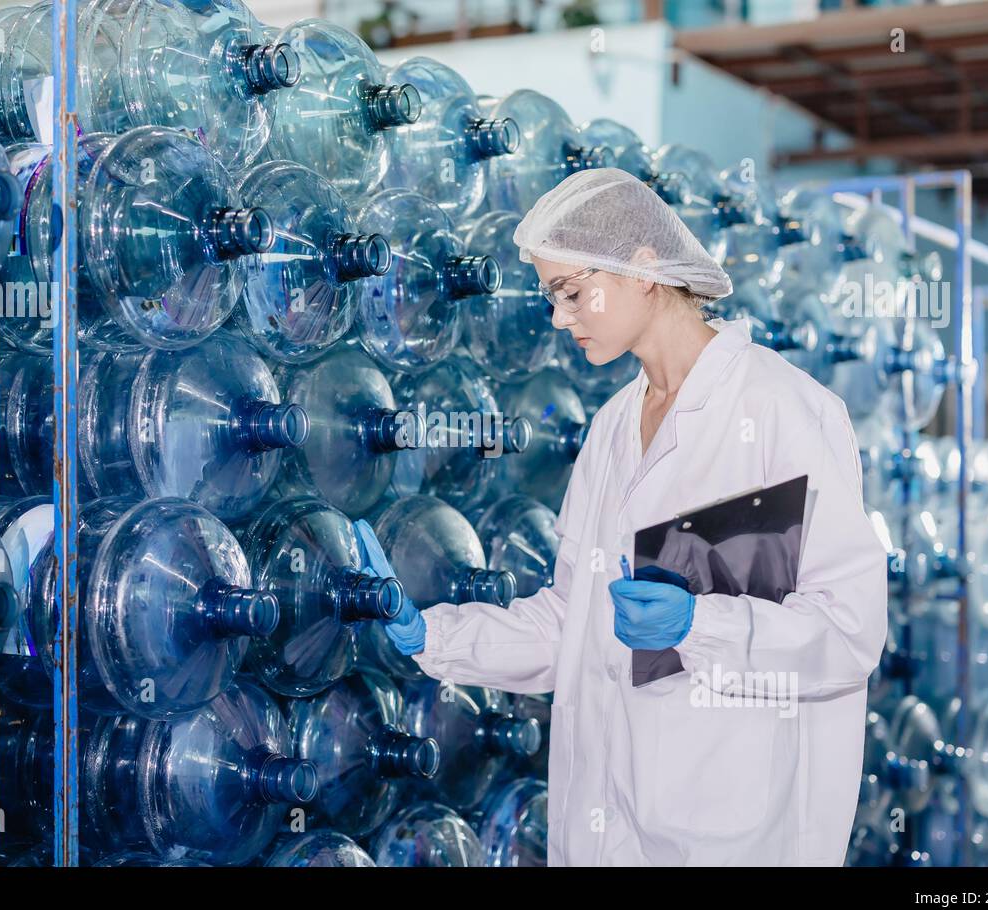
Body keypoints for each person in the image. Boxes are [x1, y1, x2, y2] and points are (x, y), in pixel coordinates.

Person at [355, 167, 888, 866]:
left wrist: (702, 627)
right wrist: (436, 633)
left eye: (572, 292)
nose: (557, 317)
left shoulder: (783, 410)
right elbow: (572, 625)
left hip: (734, 836)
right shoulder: (611, 428)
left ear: (642, 269)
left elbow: (848, 634)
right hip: (606, 829)